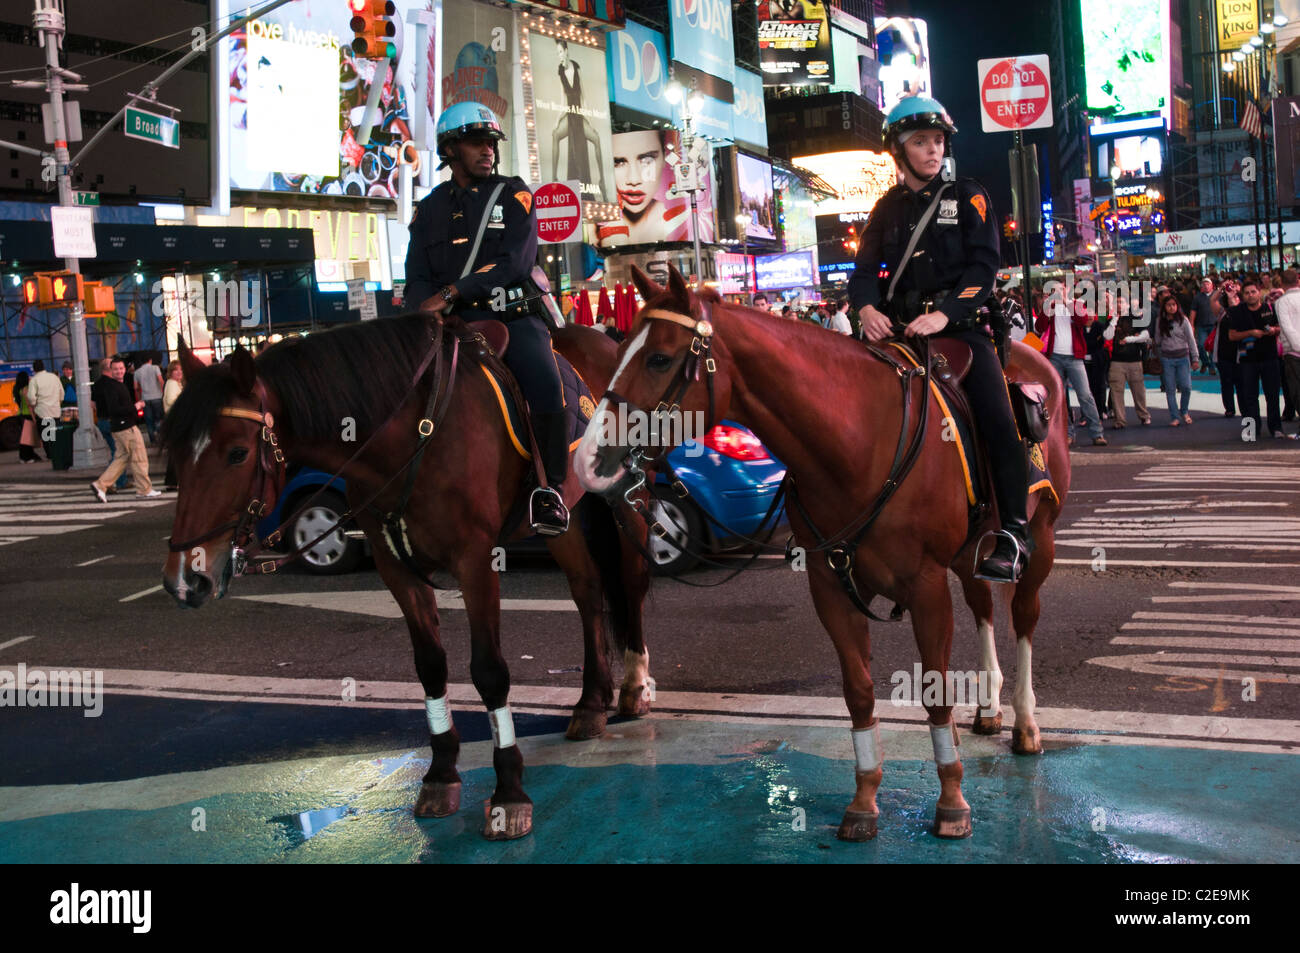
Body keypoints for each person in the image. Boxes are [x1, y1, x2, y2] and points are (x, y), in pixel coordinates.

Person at [848, 95, 1037, 583]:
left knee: (997, 417)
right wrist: (866, 308)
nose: (933, 151)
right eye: (920, 142)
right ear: (899, 150)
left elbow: (984, 267)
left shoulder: (968, 195)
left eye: (937, 141)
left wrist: (947, 313)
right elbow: (864, 270)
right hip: (900, 333)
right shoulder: (885, 209)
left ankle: (1015, 533)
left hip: (962, 333)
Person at [405, 102, 569, 535]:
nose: (488, 151)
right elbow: (416, 276)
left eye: (491, 143)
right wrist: (422, 309)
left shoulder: (514, 195)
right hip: (450, 324)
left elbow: (515, 262)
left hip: (511, 318)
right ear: (450, 149)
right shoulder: (428, 209)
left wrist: (451, 292)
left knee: (545, 384)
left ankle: (549, 488)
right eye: (477, 142)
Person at [1036, 292, 1108, 447]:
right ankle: (1068, 433)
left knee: (1085, 395)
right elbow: (1039, 327)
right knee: (1059, 397)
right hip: (1054, 356)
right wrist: (1047, 307)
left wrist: (1067, 302)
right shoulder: (1050, 307)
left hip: (1074, 357)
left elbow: (1082, 320)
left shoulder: (1075, 304)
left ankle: (1097, 433)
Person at [599, 130, 687, 247]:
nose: (634, 180)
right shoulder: (594, 223)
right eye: (618, 162)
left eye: (647, 160)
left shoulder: (678, 224)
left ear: (664, 159)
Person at [90, 356, 159, 501]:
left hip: (120, 427)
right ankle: (144, 489)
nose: (119, 371)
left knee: (121, 459)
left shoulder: (114, 385)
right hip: (126, 427)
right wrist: (136, 406)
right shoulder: (113, 386)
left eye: (121, 368)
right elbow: (114, 409)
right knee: (139, 458)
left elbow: (97, 405)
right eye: (116, 369)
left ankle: (101, 485)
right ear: (111, 370)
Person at [550, 40, 608, 200]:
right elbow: (562, 100)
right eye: (557, 53)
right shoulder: (560, 71)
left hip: (579, 115)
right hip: (569, 116)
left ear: (567, 51)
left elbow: (584, 97)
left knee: (596, 138)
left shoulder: (576, 67)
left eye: (561, 52)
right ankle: (553, 178)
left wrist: (591, 119)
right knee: (555, 135)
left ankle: (602, 180)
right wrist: (556, 120)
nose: (559, 56)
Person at [1228, 278, 1286, 439]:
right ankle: (1252, 429)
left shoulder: (1270, 308)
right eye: (1246, 293)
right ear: (1243, 295)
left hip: (1269, 357)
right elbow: (1232, 335)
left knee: (1272, 395)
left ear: (1259, 293)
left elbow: (1281, 328)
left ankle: (1276, 428)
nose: (1250, 295)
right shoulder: (1237, 312)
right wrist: (1251, 333)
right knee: (1249, 396)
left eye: (1253, 292)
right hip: (1248, 360)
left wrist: (1274, 330)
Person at [1103, 299, 1153, 428]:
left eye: (1122, 302)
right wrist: (1113, 322)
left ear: (1128, 304)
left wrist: (1131, 339)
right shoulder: (1110, 321)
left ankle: (1144, 415)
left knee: (1138, 391)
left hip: (1134, 360)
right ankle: (1120, 420)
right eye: (1117, 302)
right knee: (1116, 392)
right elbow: (1107, 336)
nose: (1119, 305)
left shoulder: (1135, 318)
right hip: (1116, 361)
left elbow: (1146, 334)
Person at [1152, 295, 1199, 426]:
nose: (1172, 307)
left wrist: (1195, 359)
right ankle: (1174, 416)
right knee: (1170, 389)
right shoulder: (1159, 321)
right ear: (1164, 307)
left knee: (1186, 387)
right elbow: (1158, 340)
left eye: (1174, 305)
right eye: (1169, 305)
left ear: (1177, 306)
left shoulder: (1183, 320)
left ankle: (1184, 411)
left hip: (1183, 358)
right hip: (1167, 359)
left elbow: (1191, 340)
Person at [91, 358, 129, 490]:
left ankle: (119, 481)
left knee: (116, 451)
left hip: (102, 421)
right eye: (114, 367)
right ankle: (109, 482)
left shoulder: (96, 384)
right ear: (109, 368)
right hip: (113, 421)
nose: (118, 370)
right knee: (119, 453)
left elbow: (93, 404)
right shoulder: (112, 384)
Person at [1276, 269, 1300, 435]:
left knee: (1297, 390)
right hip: (1294, 349)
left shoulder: (1282, 302)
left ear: (1282, 283)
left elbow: (1287, 327)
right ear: (1297, 280)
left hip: (1294, 352)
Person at [26, 358, 63, 463]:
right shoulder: (54, 377)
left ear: (34, 369)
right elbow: (62, 393)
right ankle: (58, 453)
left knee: (47, 438)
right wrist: (57, 402)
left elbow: (31, 398)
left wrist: (34, 404)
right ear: (44, 367)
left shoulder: (34, 380)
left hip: (43, 412)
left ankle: (51, 456)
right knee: (56, 435)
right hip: (55, 412)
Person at [162, 362, 185, 490]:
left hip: (173, 421)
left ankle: (172, 481)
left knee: (175, 453)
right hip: (174, 421)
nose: (179, 372)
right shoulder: (172, 384)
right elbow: (171, 400)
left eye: (181, 370)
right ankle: (173, 481)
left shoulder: (175, 383)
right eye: (176, 370)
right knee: (177, 453)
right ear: (171, 372)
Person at [134, 354, 165, 444]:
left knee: (149, 420)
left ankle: (152, 440)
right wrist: (163, 391)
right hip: (157, 397)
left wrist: (139, 400)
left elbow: (136, 388)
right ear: (150, 360)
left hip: (145, 399)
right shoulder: (155, 368)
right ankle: (160, 438)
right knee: (158, 419)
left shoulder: (137, 372)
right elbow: (161, 381)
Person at [12, 371, 41, 462]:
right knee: (28, 439)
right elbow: (29, 405)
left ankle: (24, 457)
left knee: (24, 439)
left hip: (21, 415)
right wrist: (34, 418)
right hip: (27, 415)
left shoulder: (17, 389)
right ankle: (27, 457)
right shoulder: (26, 389)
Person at [1191, 278, 1219, 374]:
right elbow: (1193, 312)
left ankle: (1212, 366)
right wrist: (1191, 325)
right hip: (1201, 325)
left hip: (1214, 325)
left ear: (1212, 286)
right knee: (1201, 345)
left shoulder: (1217, 296)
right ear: (1202, 287)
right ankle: (1205, 362)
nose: (1206, 286)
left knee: (1212, 347)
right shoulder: (1197, 297)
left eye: (1208, 284)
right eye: (1204, 284)